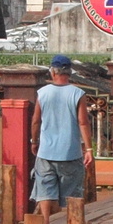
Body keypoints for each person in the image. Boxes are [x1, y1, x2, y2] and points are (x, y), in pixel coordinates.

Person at [31, 55, 93, 214]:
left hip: (46, 152)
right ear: (70, 72)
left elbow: (36, 121)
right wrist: (89, 149)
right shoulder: (78, 93)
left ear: (52, 72)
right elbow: (83, 122)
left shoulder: (42, 93)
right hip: (70, 153)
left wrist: (34, 141)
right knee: (70, 194)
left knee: (45, 190)